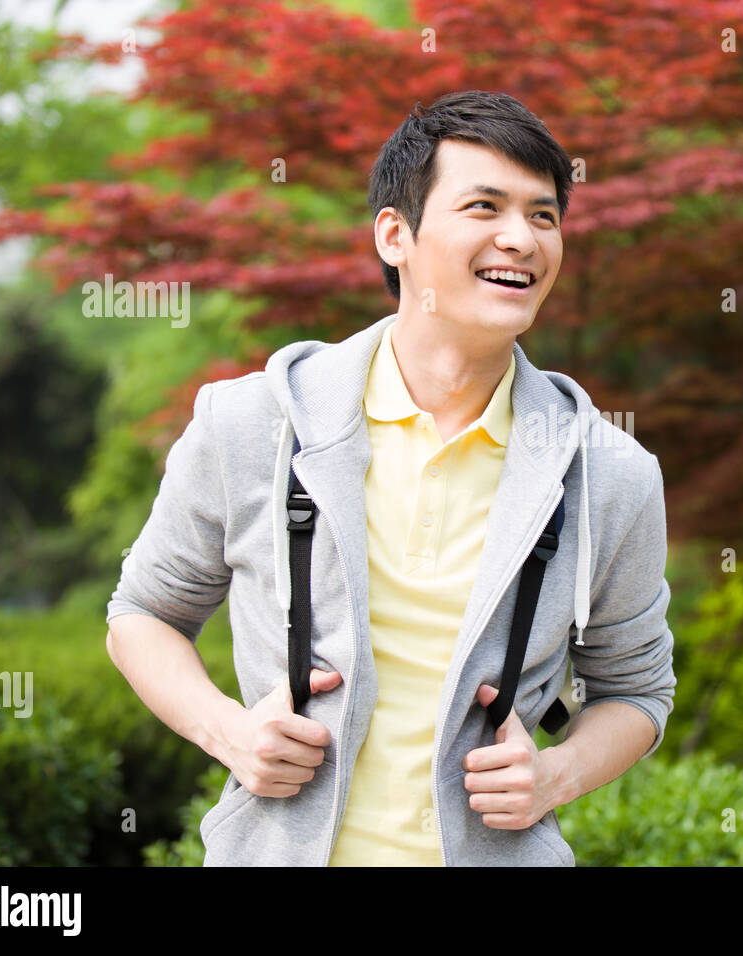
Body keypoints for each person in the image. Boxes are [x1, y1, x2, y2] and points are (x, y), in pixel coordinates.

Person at [105, 90, 676, 866]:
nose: (522, 239)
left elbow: (638, 690)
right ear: (395, 234)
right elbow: (143, 613)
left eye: (544, 217)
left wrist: (554, 775)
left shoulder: (611, 474)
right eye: (485, 206)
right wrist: (231, 734)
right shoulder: (250, 424)